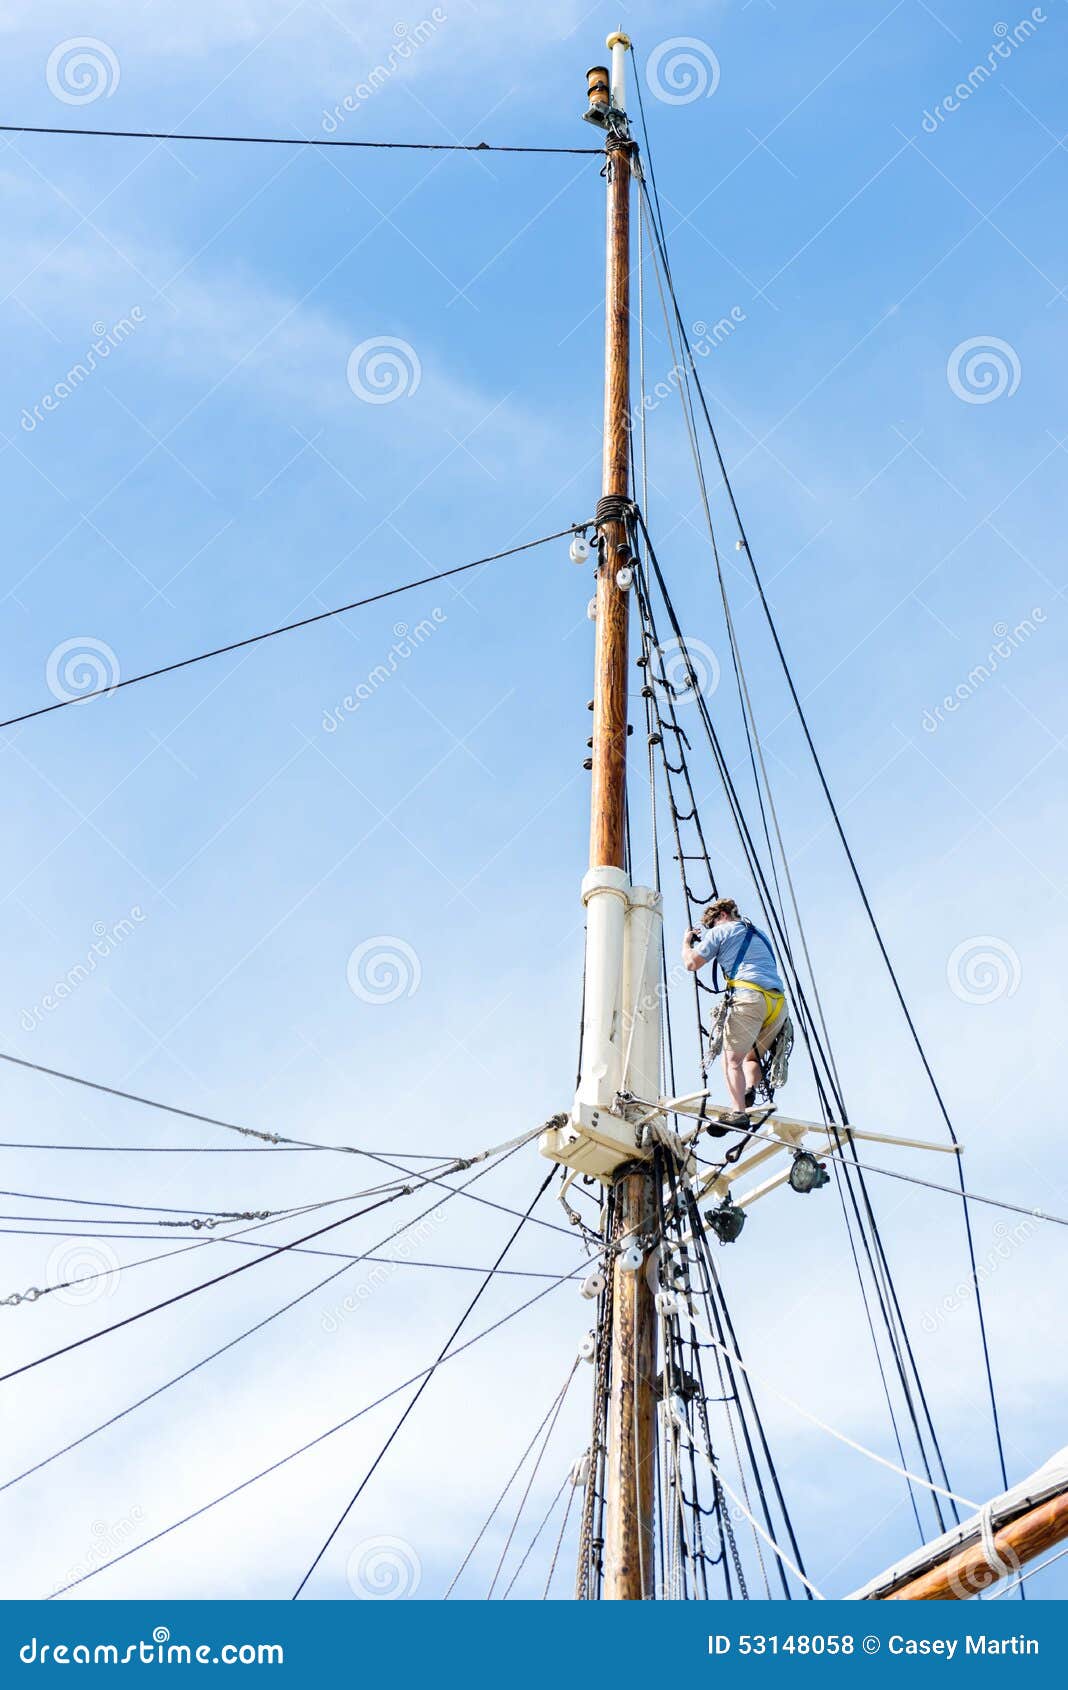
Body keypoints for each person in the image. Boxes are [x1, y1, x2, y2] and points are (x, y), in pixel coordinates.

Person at [681, 897, 786, 1129]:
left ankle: (738, 1111)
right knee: (751, 1057)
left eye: (713, 923)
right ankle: (748, 1090)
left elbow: (691, 964)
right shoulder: (760, 934)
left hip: (750, 999)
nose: (712, 928)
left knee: (731, 1061)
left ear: (723, 916)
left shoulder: (721, 931)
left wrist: (687, 943)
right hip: (777, 1005)